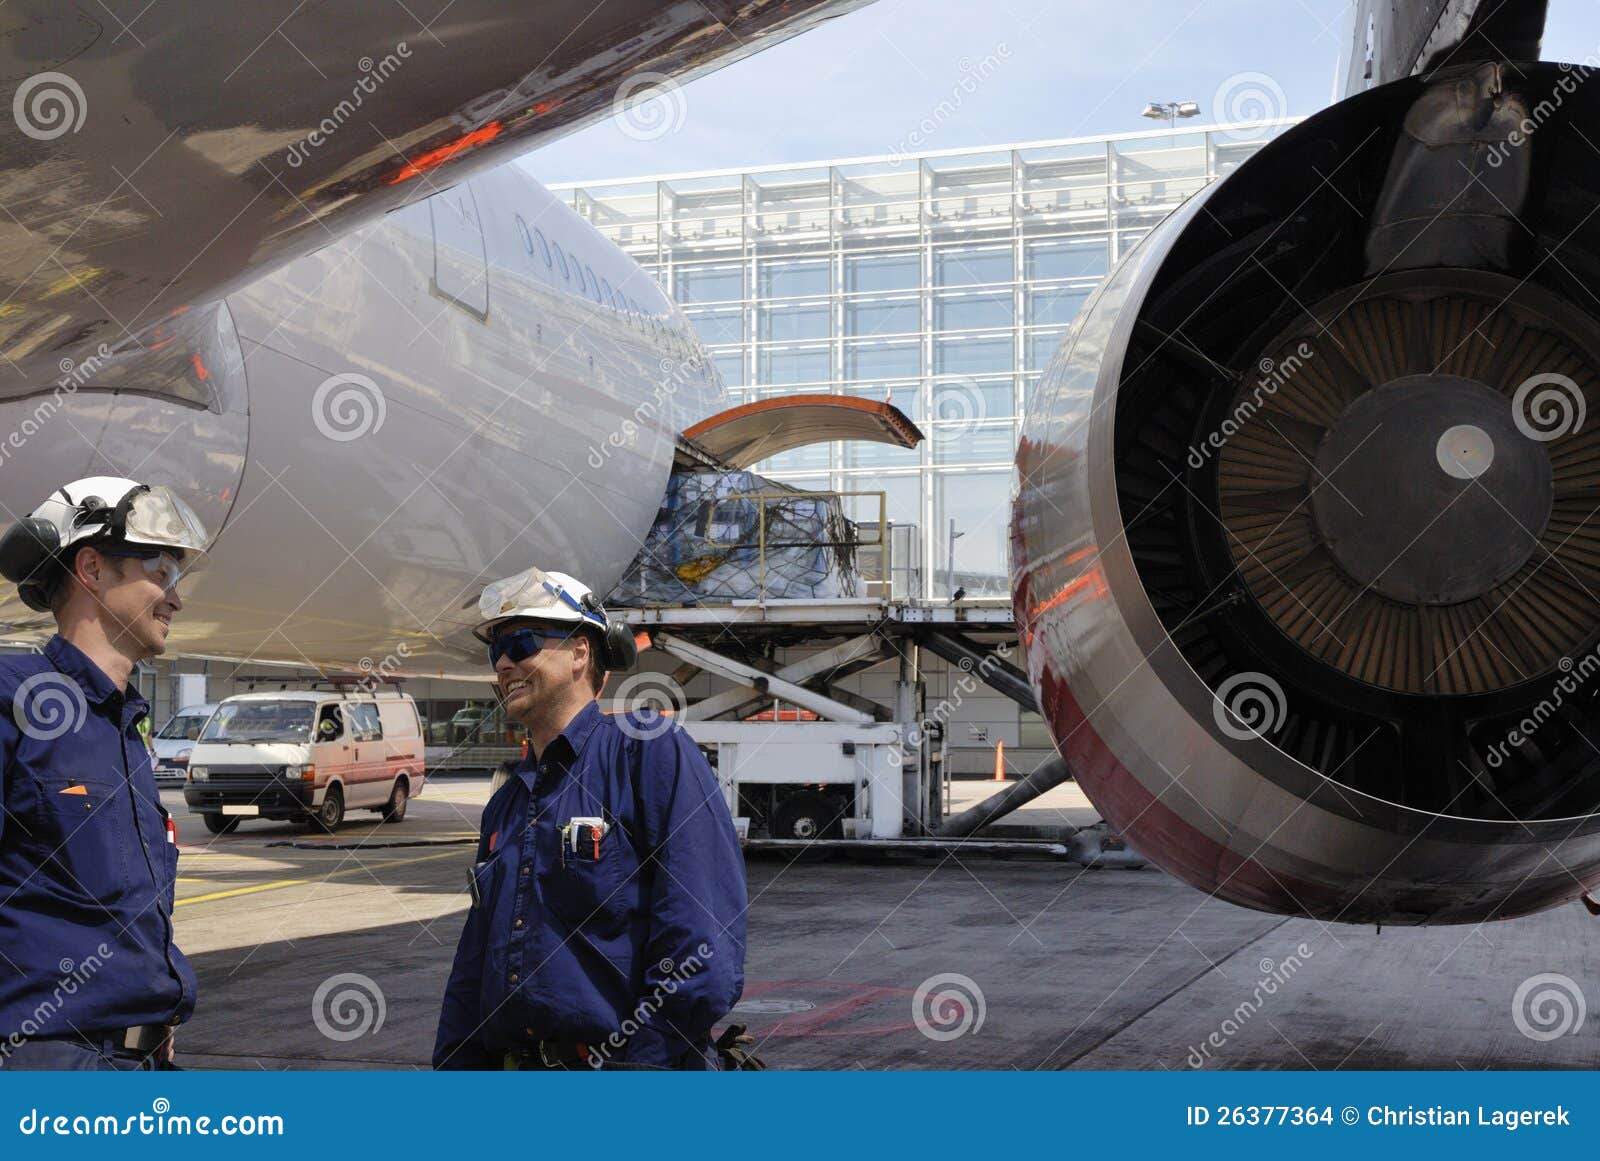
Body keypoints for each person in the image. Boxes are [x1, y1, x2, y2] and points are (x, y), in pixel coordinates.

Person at [433, 566, 747, 1070]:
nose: (504, 665)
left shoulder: (648, 752)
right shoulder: (507, 804)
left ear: (581, 651)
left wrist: (640, 1067)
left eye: (521, 642)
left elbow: (699, 938)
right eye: (496, 651)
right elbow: (475, 959)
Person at [0, 476, 210, 1070]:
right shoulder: (15, 703)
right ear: (91, 568)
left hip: (139, 1060)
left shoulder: (125, 731)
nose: (175, 597)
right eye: (160, 572)